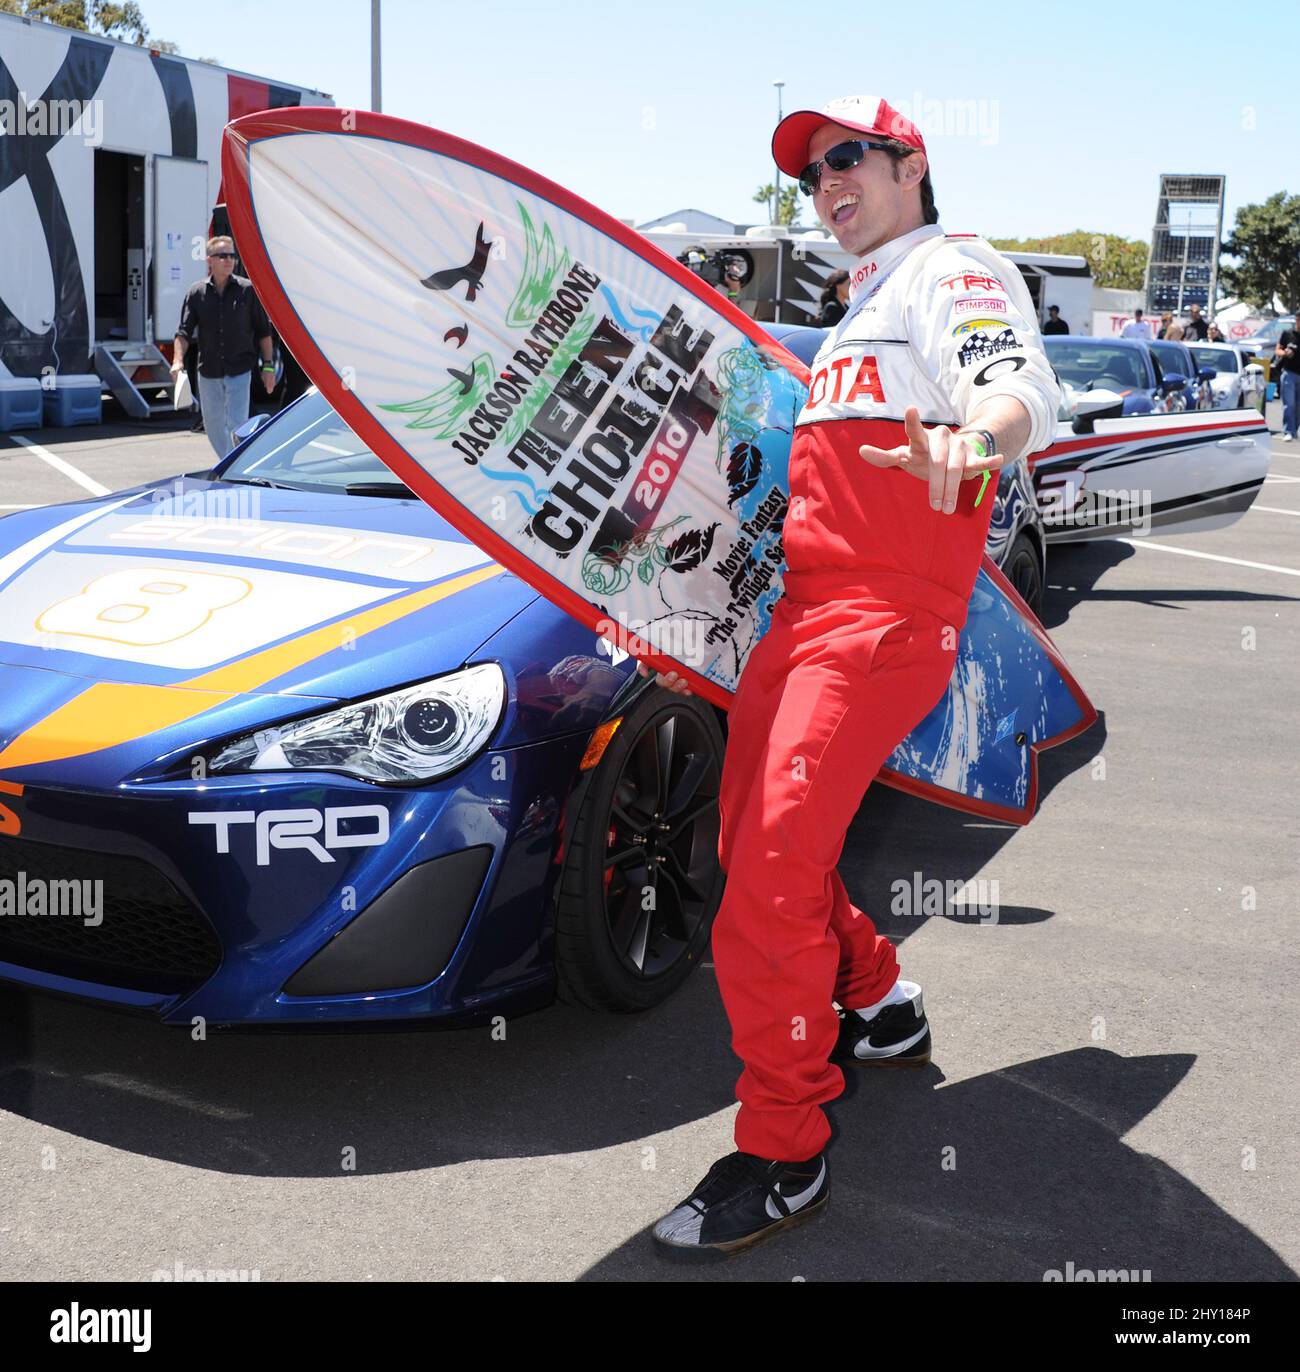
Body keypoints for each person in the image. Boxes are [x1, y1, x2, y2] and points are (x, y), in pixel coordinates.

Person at [645, 94, 1059, 1256]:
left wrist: (976, 440)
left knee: (772, 866)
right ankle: (878, 999)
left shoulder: (947, 268)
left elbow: (1014, 386)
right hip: (801, 618)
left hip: (878, 624)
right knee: (754, 848)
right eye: (809, 173)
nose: (825, 184)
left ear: (908, 164)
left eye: (845, 159)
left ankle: (785, 1150)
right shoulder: (856, 310)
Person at [172, 235, 275, 459]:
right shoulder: (197, 292)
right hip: (209, 371)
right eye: (223, 256)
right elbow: (183, 332)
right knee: (214, 426)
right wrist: (177, 361)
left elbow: (263, 332)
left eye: (232, 256)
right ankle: (228, 461)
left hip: (240, 369)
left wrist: (268, 367)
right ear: (210, 260)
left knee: (237, 424)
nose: (229, 260)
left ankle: (230, 466)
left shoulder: (247, 290)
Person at [1276, 319, 1300, 440]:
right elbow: (1277, 350)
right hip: (1289, 373)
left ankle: (1294, 431)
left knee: (1298, 407)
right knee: (1289, 404)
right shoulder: (1287, 334)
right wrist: (1285, 352)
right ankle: (1288, 431)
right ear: (1297, 320)